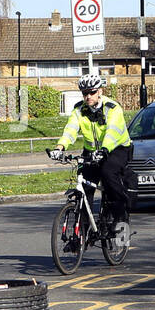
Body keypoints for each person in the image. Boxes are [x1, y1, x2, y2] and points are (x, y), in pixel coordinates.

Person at [50, 74, 134, 244]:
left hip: (117, 148)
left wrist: (104, 150)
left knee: (108, 172)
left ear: (100, 92)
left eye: (92, 92)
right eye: (84, 93)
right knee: (84, 188)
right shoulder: (79, 110)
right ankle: (81, 234)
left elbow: (112, 131)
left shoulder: (113, 108)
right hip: (92, 151)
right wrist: (60, 147)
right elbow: (71, 129)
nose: (88, 96)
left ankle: (119, 212)